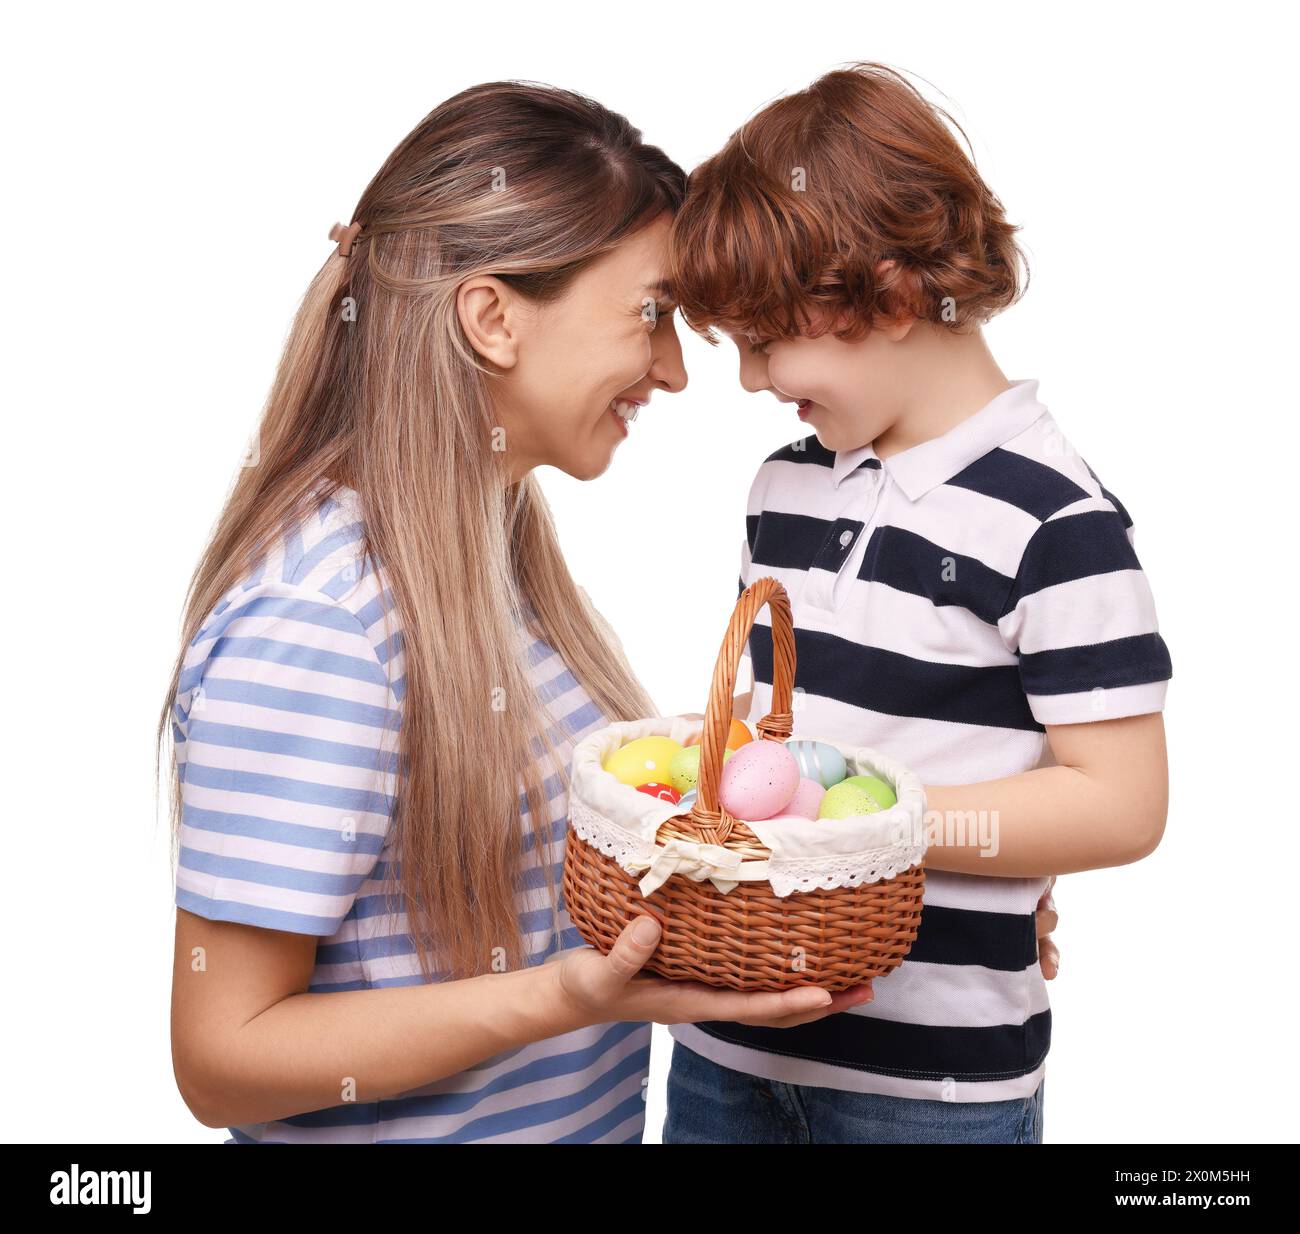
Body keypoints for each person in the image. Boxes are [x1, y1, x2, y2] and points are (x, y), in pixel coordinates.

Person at [161, 81, 862, 1145]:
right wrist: (566, 996)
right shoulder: (321, 620)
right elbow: (224, 1061)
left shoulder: (492, 548)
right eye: (652, 312)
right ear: (491, 317)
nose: (673, 368)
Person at [662, 62, 1169, 1144]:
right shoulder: (783, 486)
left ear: (889, 297)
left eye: (765, 340)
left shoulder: (1052, 521)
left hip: (925, 1090)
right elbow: (773, 740)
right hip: (724, 1043)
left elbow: (1120, 805)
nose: (750, 378)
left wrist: (863, 832)